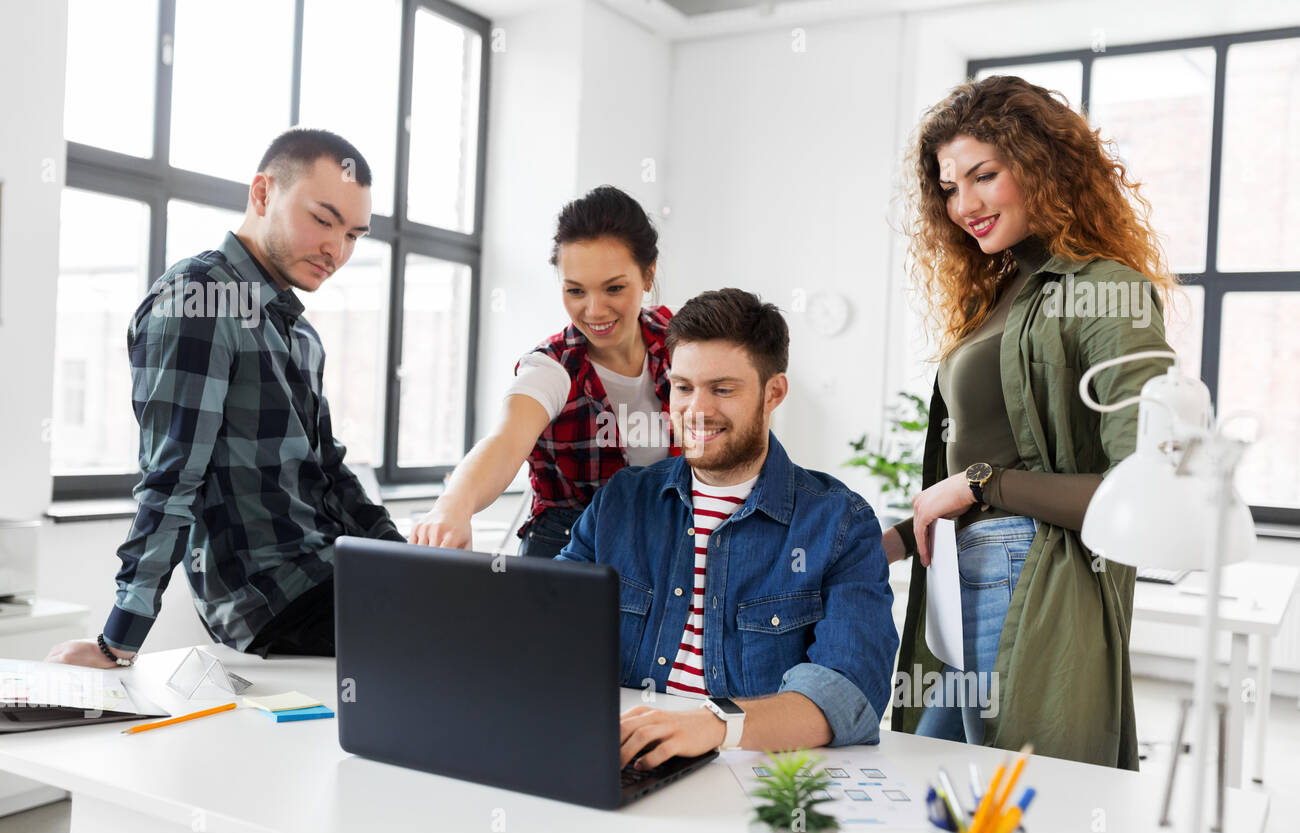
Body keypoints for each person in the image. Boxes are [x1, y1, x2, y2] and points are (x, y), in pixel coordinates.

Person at [883, 75, 1178, 769]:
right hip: (960, 569)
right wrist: (891, 540)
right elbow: (974, 469)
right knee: (932, 789)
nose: (965, 205)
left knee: (1004, 807)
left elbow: (1142, 489)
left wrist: (982, 486)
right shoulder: (1001, 293)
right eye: (950, 187)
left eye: (984, 175)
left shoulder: (1109, 290)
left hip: (1027, 575)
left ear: (1044, 166)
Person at [45, 128, 403, 669]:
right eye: (323, 220)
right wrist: (117, 642)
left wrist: (409, 563)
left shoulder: (297, 332)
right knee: (478, 645)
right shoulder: (200, 299)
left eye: (354, 234)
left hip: (334, 573)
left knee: (478, 618)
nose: (338, 250)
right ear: (262, 193)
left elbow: (329, 471)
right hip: (276, 599)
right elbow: (172, 477)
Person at [557, 289, 898, 770]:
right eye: (683, 387)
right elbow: (549, 624)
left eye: (722, 389)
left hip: (758, 774)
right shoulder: (622, 501)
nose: (696, 410)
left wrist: (716, 724)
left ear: (773, 393)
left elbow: (847, 695)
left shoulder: (840, 523)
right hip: (623, 755)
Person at [410, 186, 677, 558]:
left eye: (614, 288)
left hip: (664, 544)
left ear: (647, 275)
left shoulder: (681, 343)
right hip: (565, 550)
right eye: (576, 291)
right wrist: (452, 505)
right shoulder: (551, 367)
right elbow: (504, 443)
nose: (594, 310)